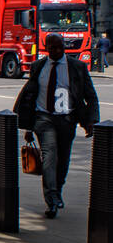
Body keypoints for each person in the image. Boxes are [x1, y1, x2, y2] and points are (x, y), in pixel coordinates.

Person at [13, 32, 100, 218]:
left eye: (59, 46)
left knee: (63, 159)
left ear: (64, 47)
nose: (56, 50)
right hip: (43, 119)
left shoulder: (76, 67)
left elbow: (90, 95)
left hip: (67, 120)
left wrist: (91, 120)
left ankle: (58, 189)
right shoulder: (38, 66)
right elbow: (30, 96)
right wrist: (28, 127)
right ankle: (51, 198)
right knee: (49, 157)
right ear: (47, 47)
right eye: (51, 47)